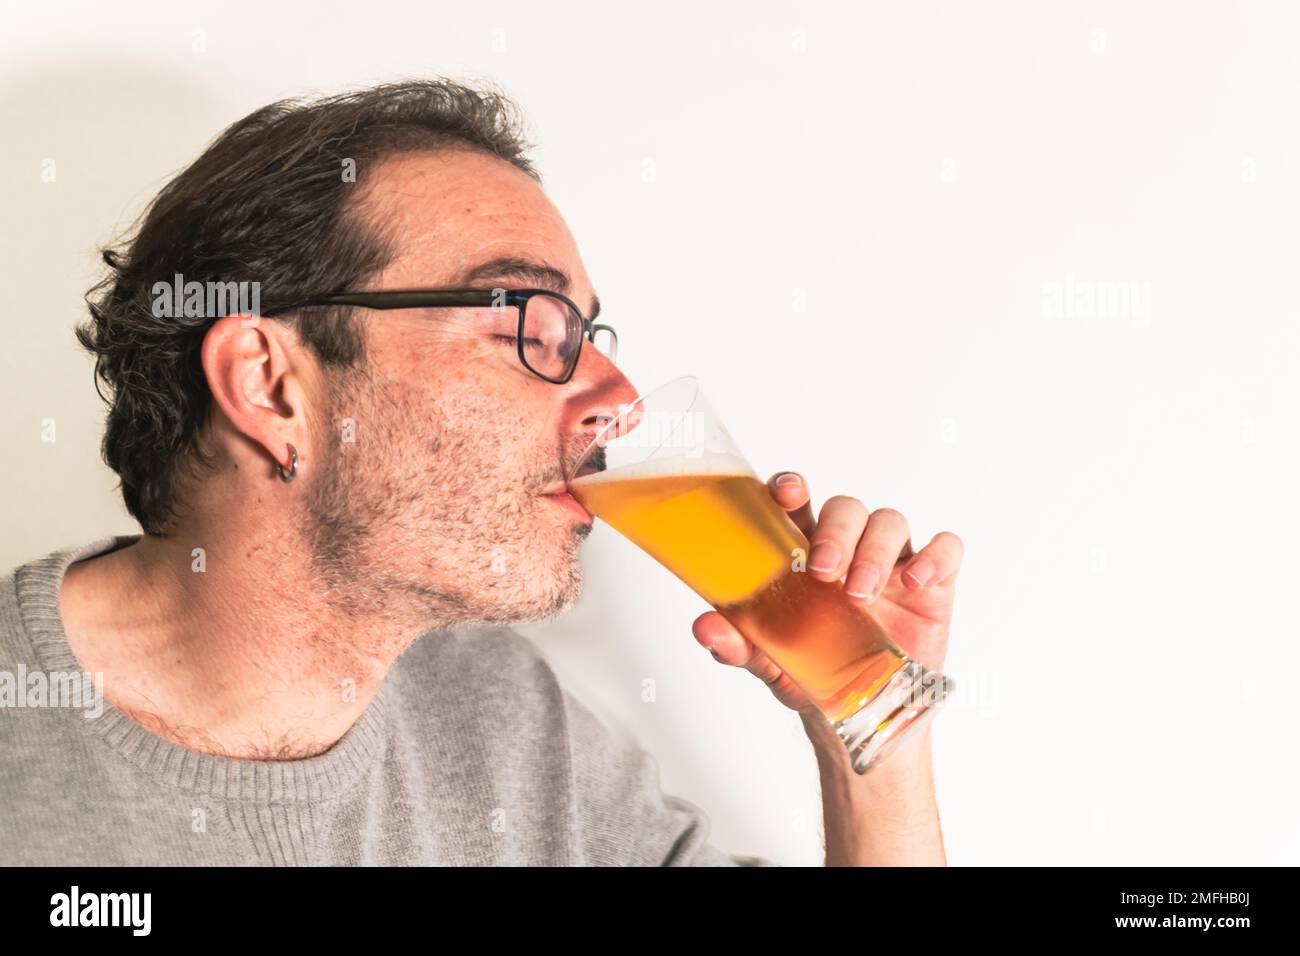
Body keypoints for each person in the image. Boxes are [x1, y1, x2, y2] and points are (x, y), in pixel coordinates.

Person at [0, 79, 963, 866]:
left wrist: (868, 726)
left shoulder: (504, 718)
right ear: (269, 384)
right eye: (529, 326)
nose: (619, 400)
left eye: (588, 334)